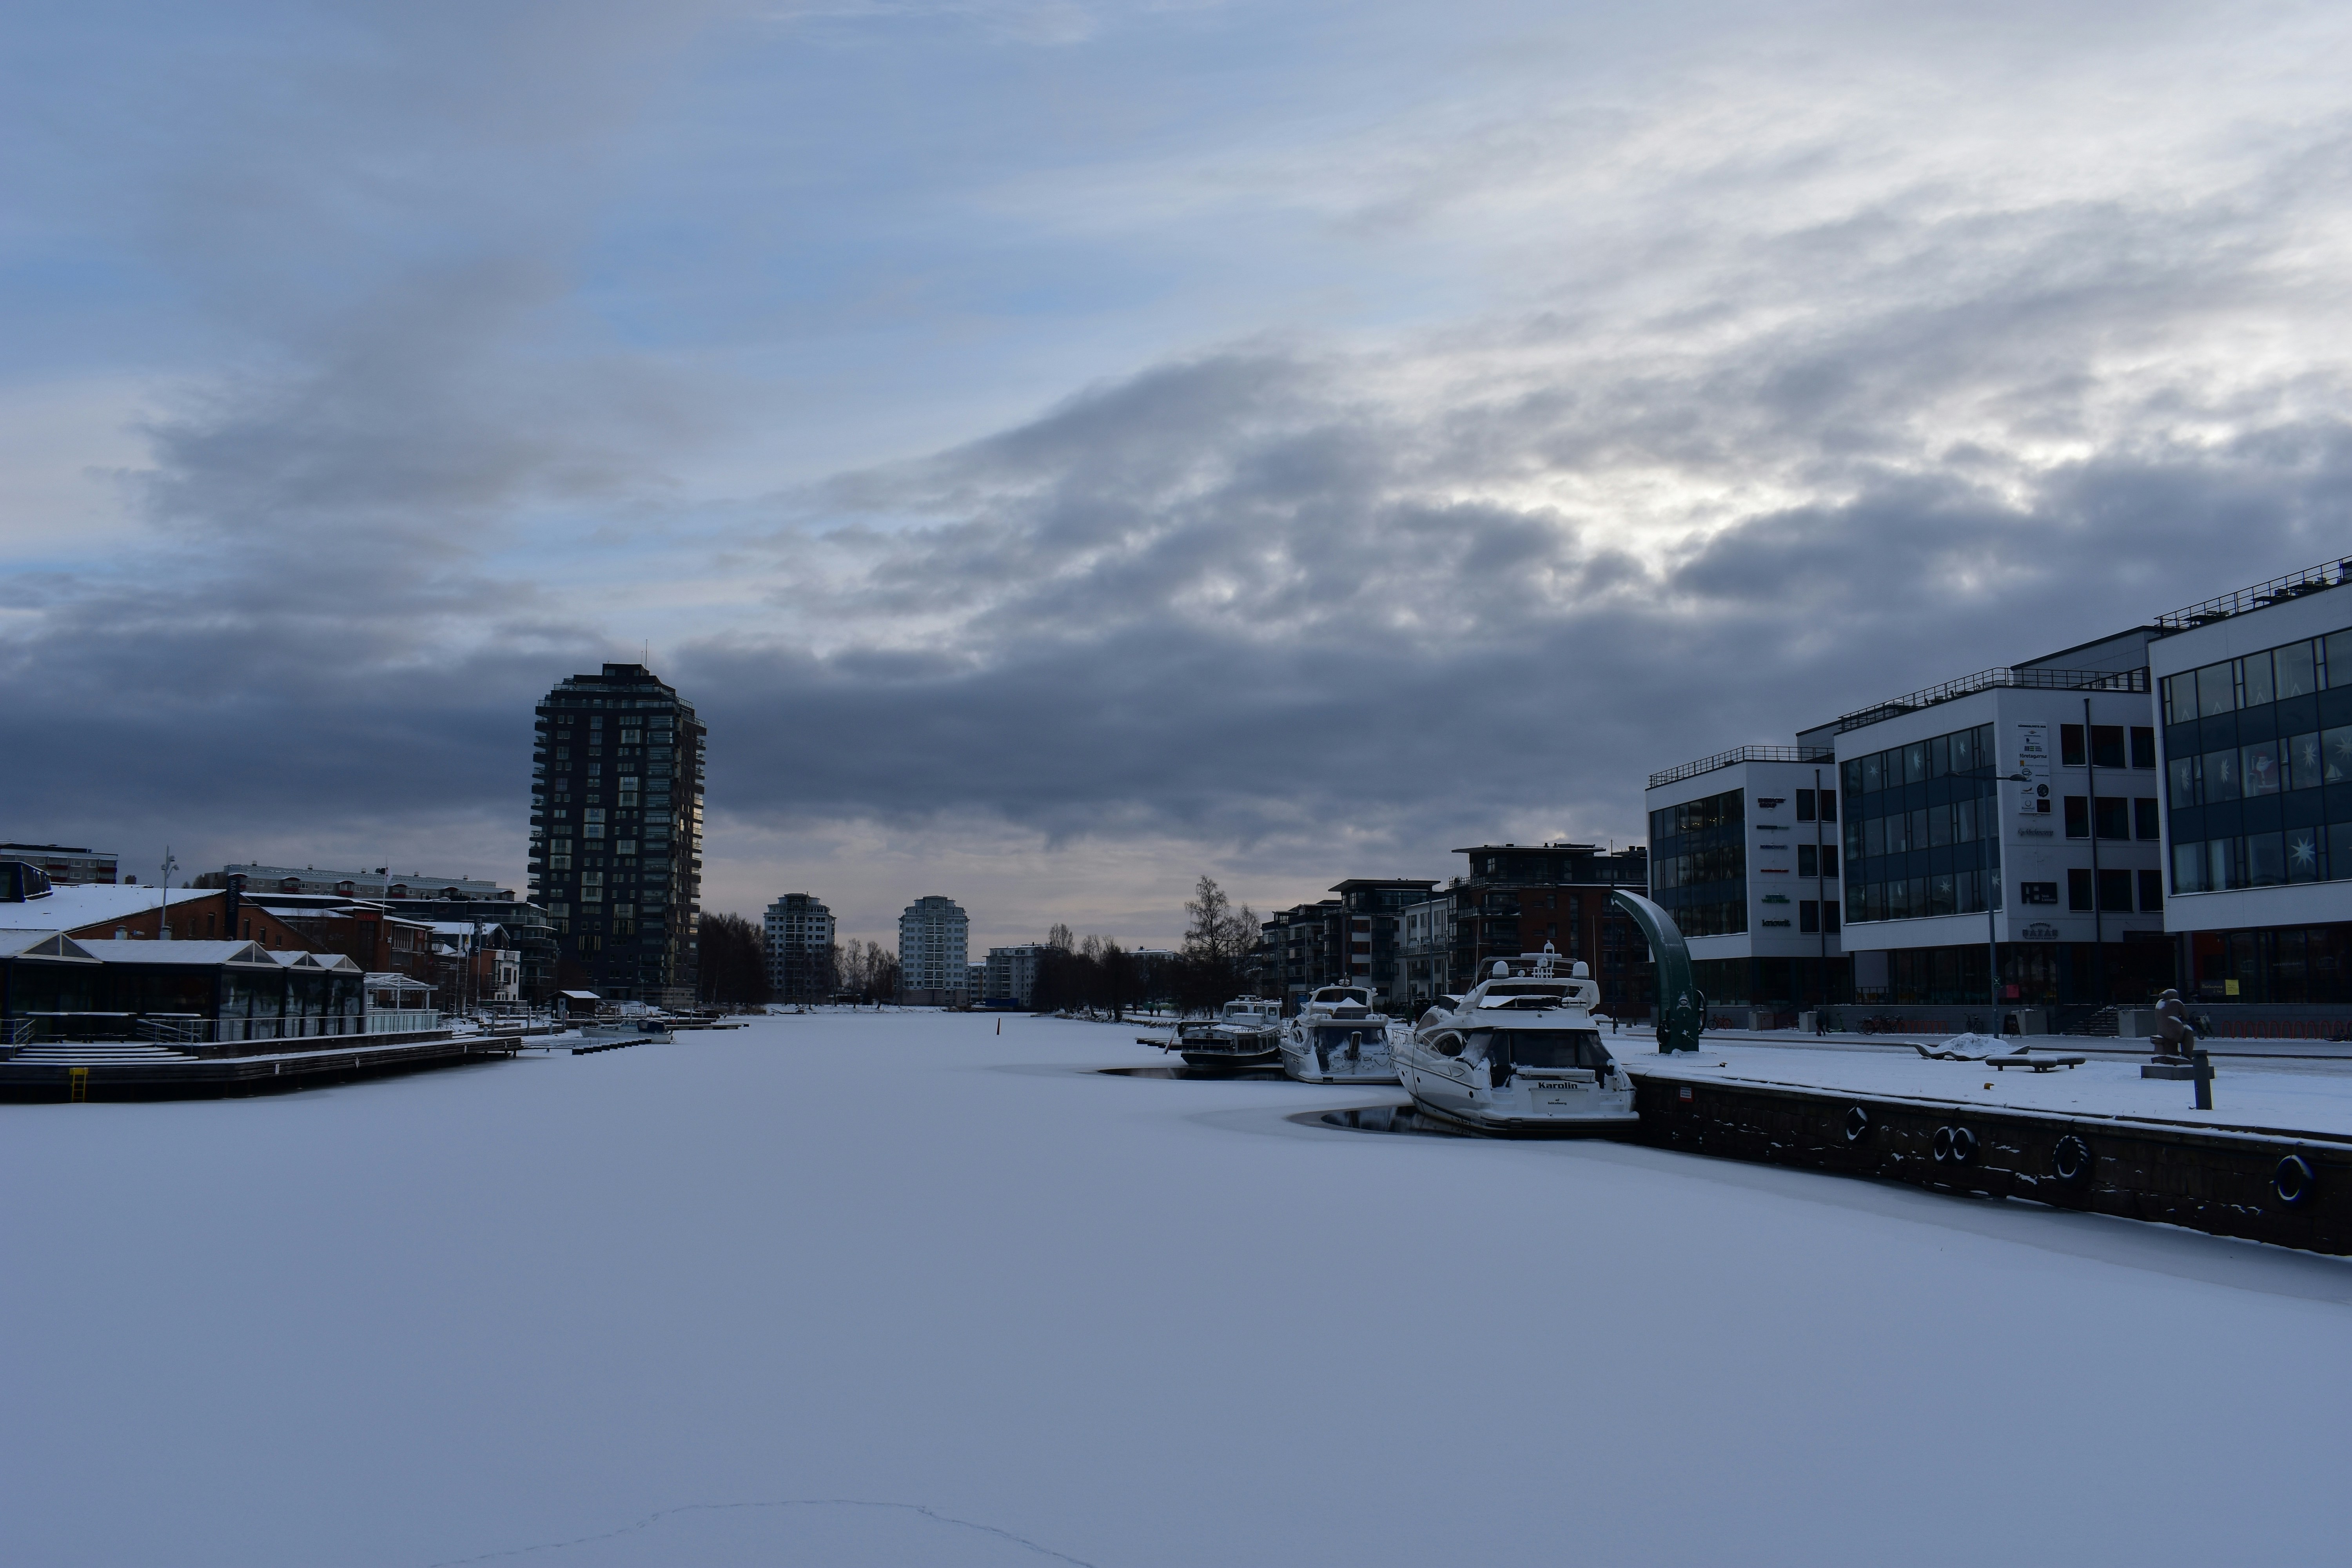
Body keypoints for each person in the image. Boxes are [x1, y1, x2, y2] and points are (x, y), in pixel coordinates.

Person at [2149, 988, 2195, 1061]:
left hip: (2161, 1032)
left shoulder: (2159, 1004)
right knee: (2189, 1031)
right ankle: (2188, 1055)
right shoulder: (2177, 1002)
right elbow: (2186, 1017)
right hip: (2175, 1033)